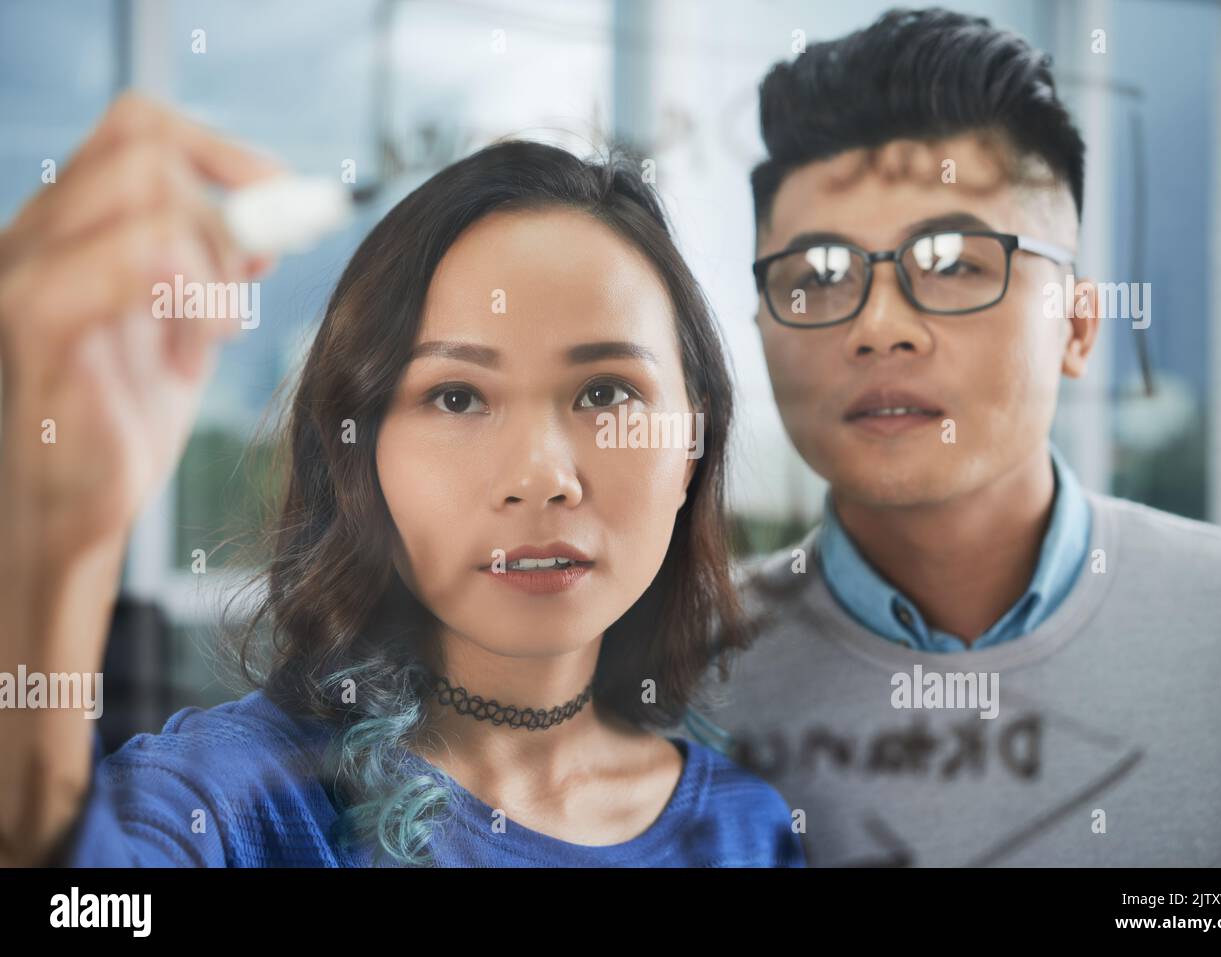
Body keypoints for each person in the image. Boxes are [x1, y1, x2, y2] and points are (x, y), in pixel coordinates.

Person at [0, 94, 804, 867]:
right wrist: (45, 548)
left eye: (604, 393)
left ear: (692, 438)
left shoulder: (748, 828)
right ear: (360, 455)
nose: (540, 478)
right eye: (456, 397)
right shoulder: (232, 801)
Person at [674, 7, 1221, 867]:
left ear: (1079, 325)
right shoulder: (668, 672)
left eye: (956, 263)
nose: (878, 327)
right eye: (817, 275)